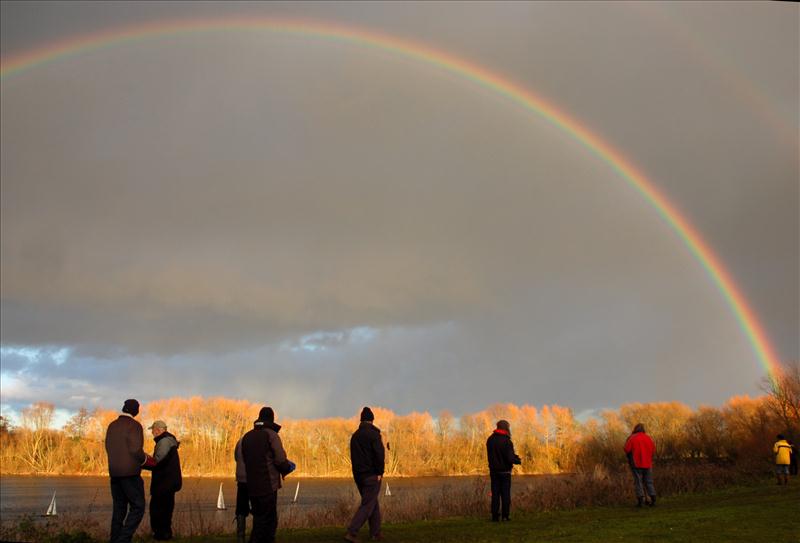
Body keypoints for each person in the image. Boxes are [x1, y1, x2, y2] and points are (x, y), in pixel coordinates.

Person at [241, 407, 293, 543]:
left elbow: (244, 461)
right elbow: (280, 460)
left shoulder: (246, 437)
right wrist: (288, 468)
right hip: (268, 486)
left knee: (258, 520)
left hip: (251, 488)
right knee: (268, 523)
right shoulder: (271, 435)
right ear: (271, 418)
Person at [105, 399, 147, 543]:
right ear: (135, 410)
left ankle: (114, 539)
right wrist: (146, 460)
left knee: (119, 508)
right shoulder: (134, 426)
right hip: (130, 474)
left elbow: (108, 448)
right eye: (138, 408)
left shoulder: (112, 425)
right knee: (138, 506)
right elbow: (136, 449)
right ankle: (123, 540)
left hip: (114, 474)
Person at [344, 407, 386, 542]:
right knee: (368, 505)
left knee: (372, 502)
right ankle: (352, 532)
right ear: (372, 420)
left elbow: (354, 458)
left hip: (359, 477)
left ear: (361, 420)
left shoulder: (355, 437)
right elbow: (380, 455)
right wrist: (379, 472)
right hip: (372, 476)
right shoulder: (374, 435)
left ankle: (376, 532)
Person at [142, 420, 182, 540]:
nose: (152, 433)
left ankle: (160, 535)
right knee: (166, 509)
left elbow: (157, 462)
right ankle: (165, 534)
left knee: (157, 509)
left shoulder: (164, 442)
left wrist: (142, 462)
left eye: (153, 430)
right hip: (168, 482)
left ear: (158, 430)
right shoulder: (169, 441)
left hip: (163, 483)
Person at [486, 419, 522, 522]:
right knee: (505, 494)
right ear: (506, 428)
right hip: (505, 472)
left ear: (497, 427)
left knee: (495, 494)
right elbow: (510, 458)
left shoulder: (490, 440)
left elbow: (492, 455)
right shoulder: (507, 441)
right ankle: (505, 516)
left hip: (493, 472)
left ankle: (494, 516)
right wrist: (517, 460)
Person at [623, 423, 656, 507]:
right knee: (649, 482)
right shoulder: (648, 438)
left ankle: (640, 501)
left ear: (635, 429)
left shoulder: (632, 438)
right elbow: (653, 450)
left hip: (636, 463)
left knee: (638, 482)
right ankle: (653, 499)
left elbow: (626, 449)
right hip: (648, 463)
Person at [234, 433, 250, 543]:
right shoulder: (262, 439)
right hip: (255, 479)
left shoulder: (240, 441)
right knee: (260, 507)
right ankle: (258, 535)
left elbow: (236, 457)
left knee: (241, 507)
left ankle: (240, 536)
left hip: (241, 479)